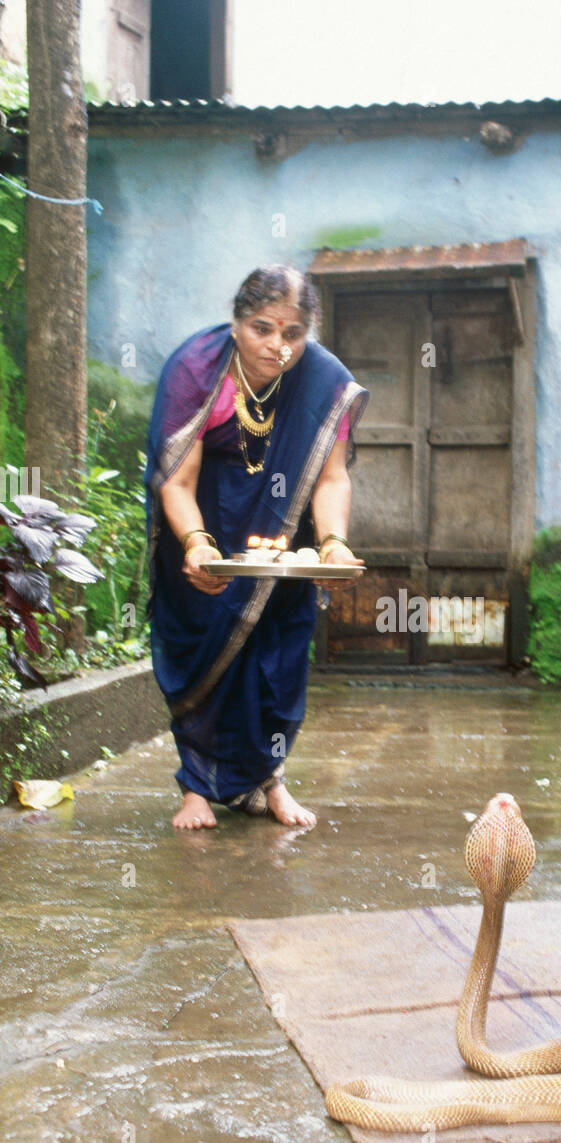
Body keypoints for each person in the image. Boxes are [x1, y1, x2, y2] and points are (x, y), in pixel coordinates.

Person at [145, 263, 368, 830]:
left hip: (281, 532)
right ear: (237, 322)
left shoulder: (324, 380)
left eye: (293, 333)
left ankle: (271, 782)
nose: (278, 347)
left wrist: (335, 543)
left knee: (279, 655)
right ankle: (196, 787)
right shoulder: (196, 371)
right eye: (263, 329)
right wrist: (196, 545)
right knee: (202, 651)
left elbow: (332, 477)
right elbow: (176, 479)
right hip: (203, 526)